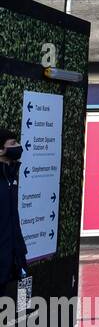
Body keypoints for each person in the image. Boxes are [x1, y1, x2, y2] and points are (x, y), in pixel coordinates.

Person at [0, 129, 27, 301]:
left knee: (23, 303)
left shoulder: (11, 177)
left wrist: (19, 250)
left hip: (15, 252)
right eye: (12, 144)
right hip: (3, 254)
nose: (18, 147)